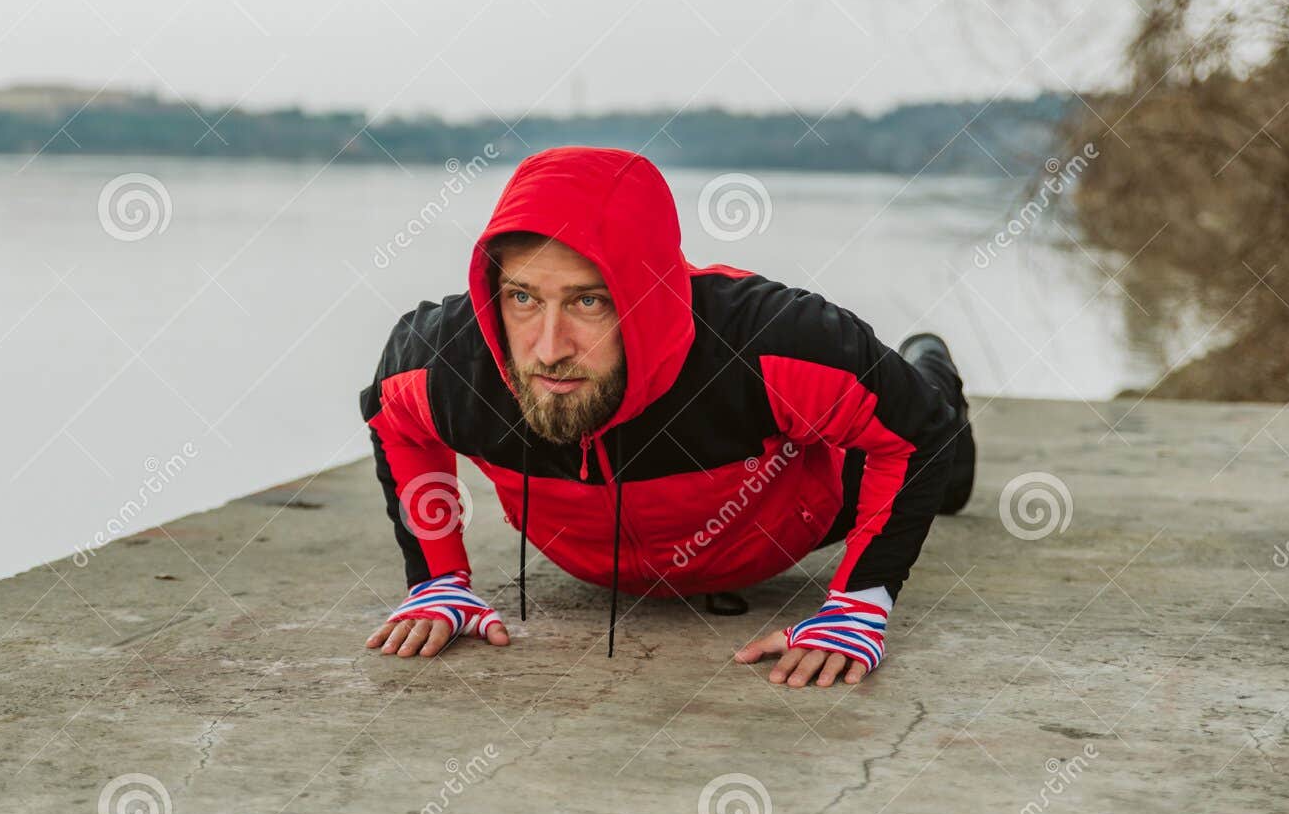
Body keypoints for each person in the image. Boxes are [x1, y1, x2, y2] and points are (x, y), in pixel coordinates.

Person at [359, 146, 975, 688]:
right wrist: (438, 579)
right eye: (523, 297)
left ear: (643, 292)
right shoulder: (448, 360)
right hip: (589, 561)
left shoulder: (767, 339)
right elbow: (395, 424)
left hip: (793, 522)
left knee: (935, 428)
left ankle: (930, 359)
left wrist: (857, 606)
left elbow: (913, 432)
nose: (549, 348)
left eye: (589, 300)